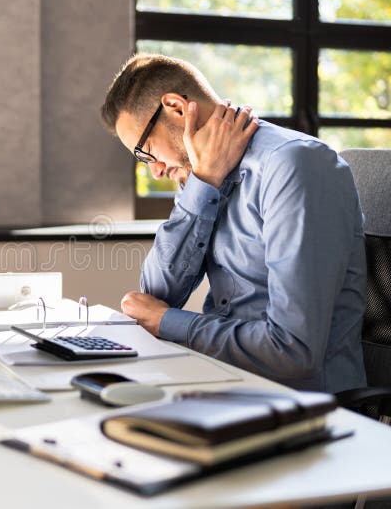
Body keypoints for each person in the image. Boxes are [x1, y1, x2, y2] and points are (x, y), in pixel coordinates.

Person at [101, 54, 366, 393]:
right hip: (224, 378)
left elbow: (293, 350)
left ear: (177, 108)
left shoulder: (294, 165)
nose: (155, 170)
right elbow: (154, 294)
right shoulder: (200, 174)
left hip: (295, 399)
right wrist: (204, 182)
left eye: (146, 151)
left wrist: (169, 322)